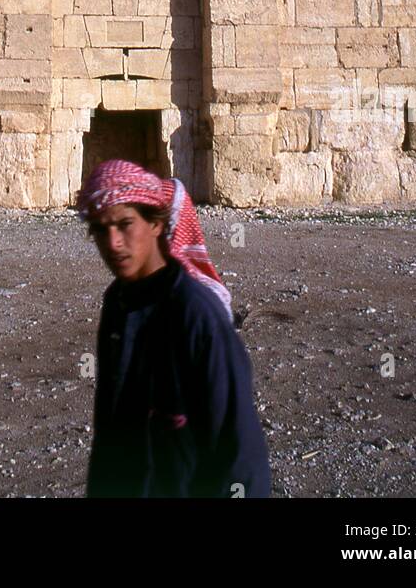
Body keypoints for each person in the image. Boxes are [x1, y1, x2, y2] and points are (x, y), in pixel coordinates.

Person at [76, 158, 271, 498]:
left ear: (155, 223)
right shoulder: (117, 303)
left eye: (125, 224)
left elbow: (238, 444)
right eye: (100, 229)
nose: (113, 242)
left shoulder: (196, 313)